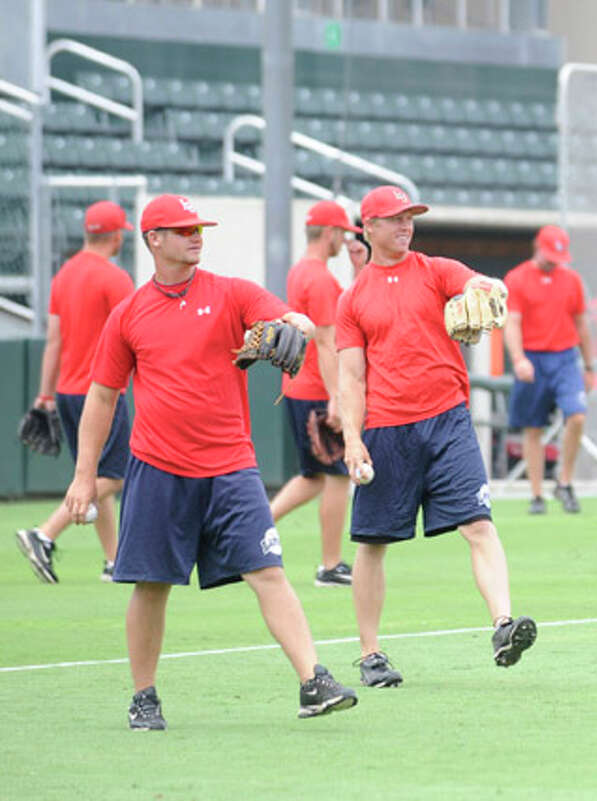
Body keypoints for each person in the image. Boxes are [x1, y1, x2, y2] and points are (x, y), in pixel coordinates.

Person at [63, 194, 357, 729]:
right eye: (182, 229)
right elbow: (102, 397)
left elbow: (295, 321)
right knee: (151, 584)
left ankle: (313, 680)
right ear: (154, 240)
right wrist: (84, 476)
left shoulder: (230, 293)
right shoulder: (129, 312)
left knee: (269, 570)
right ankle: (144, 697)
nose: (195, 235)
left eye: (198, 227)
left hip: (230, 465)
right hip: (157, 465)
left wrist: (294, 323)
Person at [337, 185, 536, 687]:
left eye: (411, 218)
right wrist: (352, 439)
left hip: (447, 420)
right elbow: (352, 378)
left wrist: (485, 292)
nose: (406, 226)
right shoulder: (353, 298)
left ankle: (503, 625)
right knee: (373, 543)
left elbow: (486, 284)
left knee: (479, 525)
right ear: (369, 228)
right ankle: (370, 654)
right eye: (395, 219)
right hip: (386, 428)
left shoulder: (436, 269)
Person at [15, 200, 135, 584]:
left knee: (97, 474)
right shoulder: (115, 279)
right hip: (102, 391)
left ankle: (115, 560)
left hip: (67, 390)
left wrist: (44, 395)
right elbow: (135, 336)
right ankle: (45, 533)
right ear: (116, 236)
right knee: (113, 477)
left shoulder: (63, 275)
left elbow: (54, 340)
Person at [270, 200, 368, 588]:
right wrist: (337, 398)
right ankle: (330, 564)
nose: (344, 240)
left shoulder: (302, 272)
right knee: (337, 477)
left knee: (311, 476)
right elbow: (327, 343)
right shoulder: (320, 279)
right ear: (328, 232)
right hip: (315, 388)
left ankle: (250, 526)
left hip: (297, 385)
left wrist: (360, 269)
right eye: (342, 233)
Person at [503, 224, 594, 514]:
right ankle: (536, 493)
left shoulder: (572, 280)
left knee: (577, 416)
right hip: (533, 356)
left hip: (565, 358)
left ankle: (564, 481)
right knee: (533, 427)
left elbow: (582, 324)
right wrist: (518, 358)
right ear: (537, 247)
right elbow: (512, 322)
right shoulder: (516, 278)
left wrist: (589, 365)